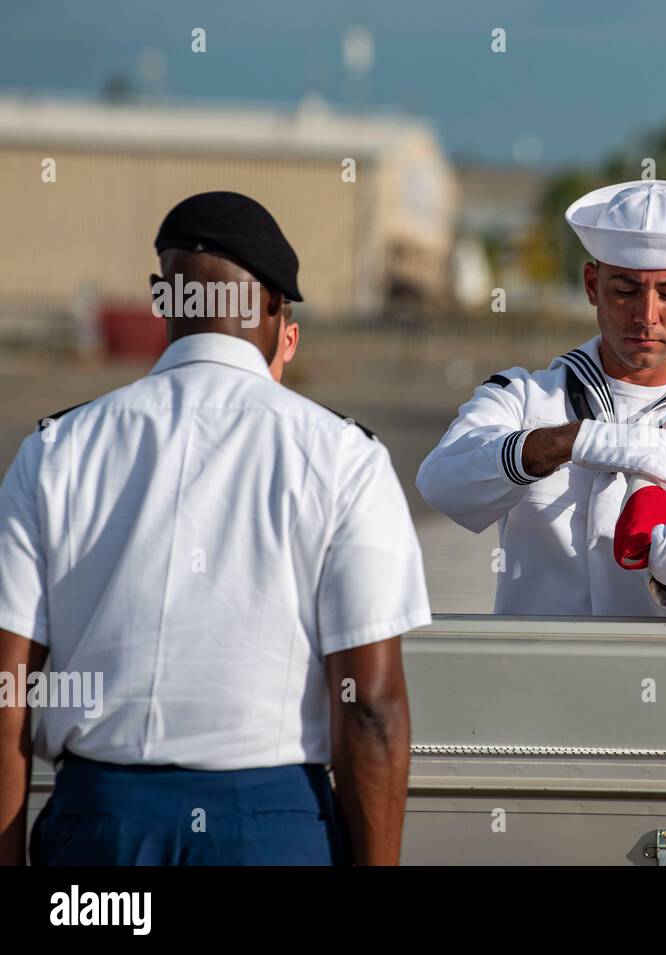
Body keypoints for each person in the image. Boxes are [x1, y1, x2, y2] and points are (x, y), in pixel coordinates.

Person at [0, 191, 429, 866]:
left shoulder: (57, 450)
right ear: (274, 310)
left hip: (102, 826)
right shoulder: (342, 457)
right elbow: (370, 705)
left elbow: (8, 691)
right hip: (268, 824)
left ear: (160, 300)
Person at [417, 180, 666, 616]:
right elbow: (442, 484)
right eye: (626, 290)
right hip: (537, 675)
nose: (647, 315)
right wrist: (567, 441)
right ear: (592, 284)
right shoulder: (523, 397)